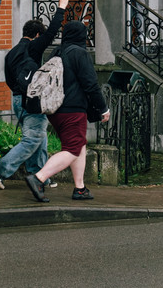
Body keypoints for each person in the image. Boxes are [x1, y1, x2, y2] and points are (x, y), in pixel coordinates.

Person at [24, 20, 110, 202]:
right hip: (73, 110)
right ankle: (38, 178)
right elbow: (91, 84)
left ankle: (80, 188)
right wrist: (103, 108)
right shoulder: (79, 53)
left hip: (55, 110)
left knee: (78, 144)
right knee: (72, 148)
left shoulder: (57, 52)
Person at [0, 0, 69, 189]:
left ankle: (40, 176)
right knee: (32, 138)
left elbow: (10, 79)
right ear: (36, 35)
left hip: (17, 99)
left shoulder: (12, 53)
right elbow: (51, 33)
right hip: (32, 100)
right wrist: (61, 8)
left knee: (40, 139)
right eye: (40, 37)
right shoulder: (32, 48)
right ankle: (0, 169)